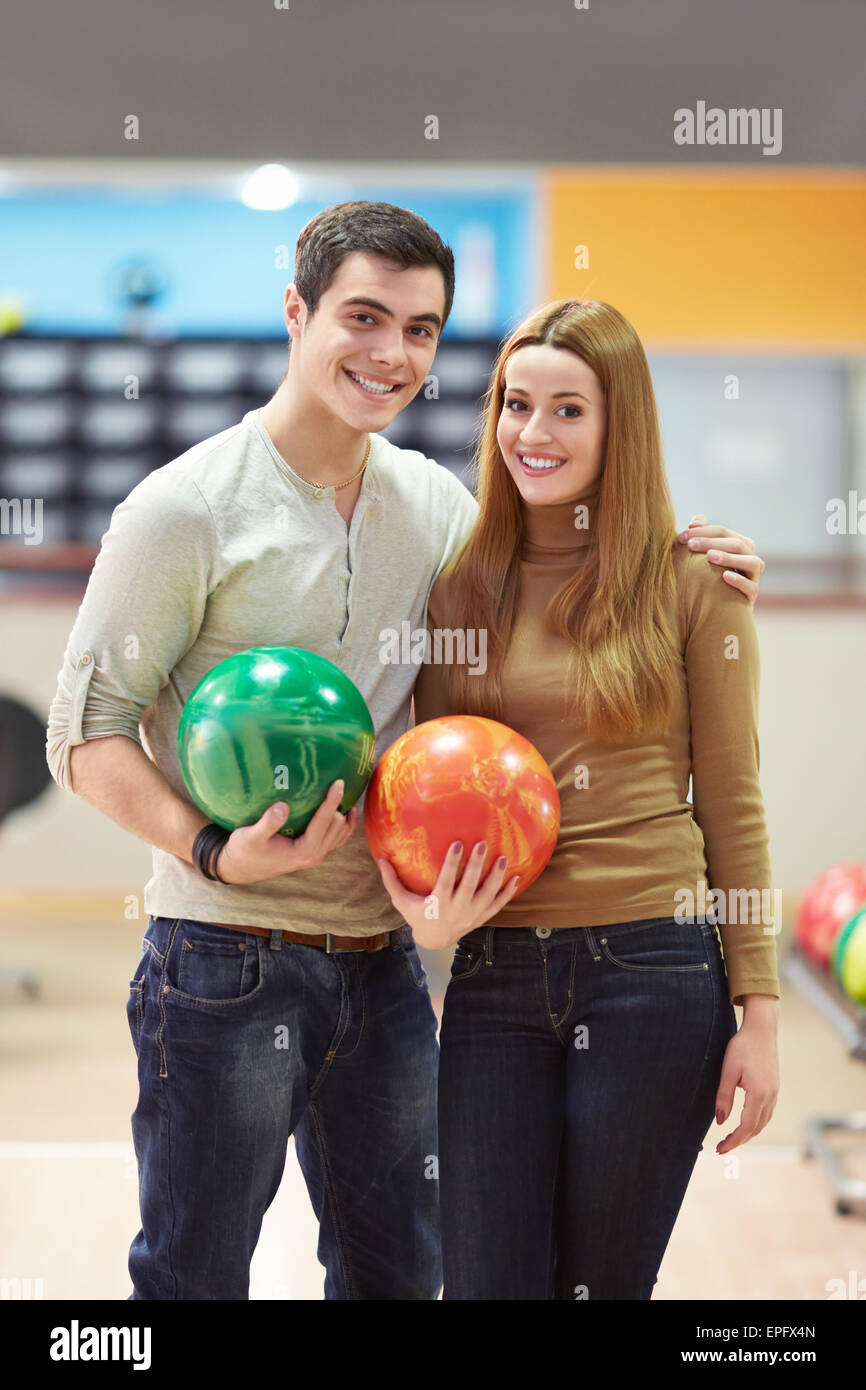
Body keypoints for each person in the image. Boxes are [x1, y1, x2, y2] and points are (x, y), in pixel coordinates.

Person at [45, 202, 767, 1300]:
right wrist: (210, 849)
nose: (390, 354)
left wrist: (679, 546)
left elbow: (564, 532)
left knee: (398, 1277)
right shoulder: (181, 510)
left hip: (382, 961)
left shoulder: (433, 510)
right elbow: (83, 734)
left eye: (420, 330)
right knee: (194, 1277)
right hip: (224, 958)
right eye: (363, 317)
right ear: (296, 313)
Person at [375, 298, 780, 1300]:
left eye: (566, 410)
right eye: (516, 404)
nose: (531, 433)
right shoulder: (461, 586)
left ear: (617, 427)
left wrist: (758, 1014)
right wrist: (419, 914)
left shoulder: (694, 584)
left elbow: (731, 802)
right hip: (495, 974)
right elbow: (425, 784)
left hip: (652, 972)